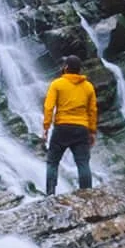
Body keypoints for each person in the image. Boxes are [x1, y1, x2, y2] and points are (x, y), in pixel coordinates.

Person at [42, 54, 98, 194]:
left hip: (62, 128)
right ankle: (87, 194)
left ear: (66, 67)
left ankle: (50, 194)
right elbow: (92, 111)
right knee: (83, 164)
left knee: (53, 162)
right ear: (80, 70)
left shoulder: (57, 84)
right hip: (81, 129)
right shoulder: (88, 87)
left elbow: (49, 107)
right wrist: (92, 131)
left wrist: (46, 127)